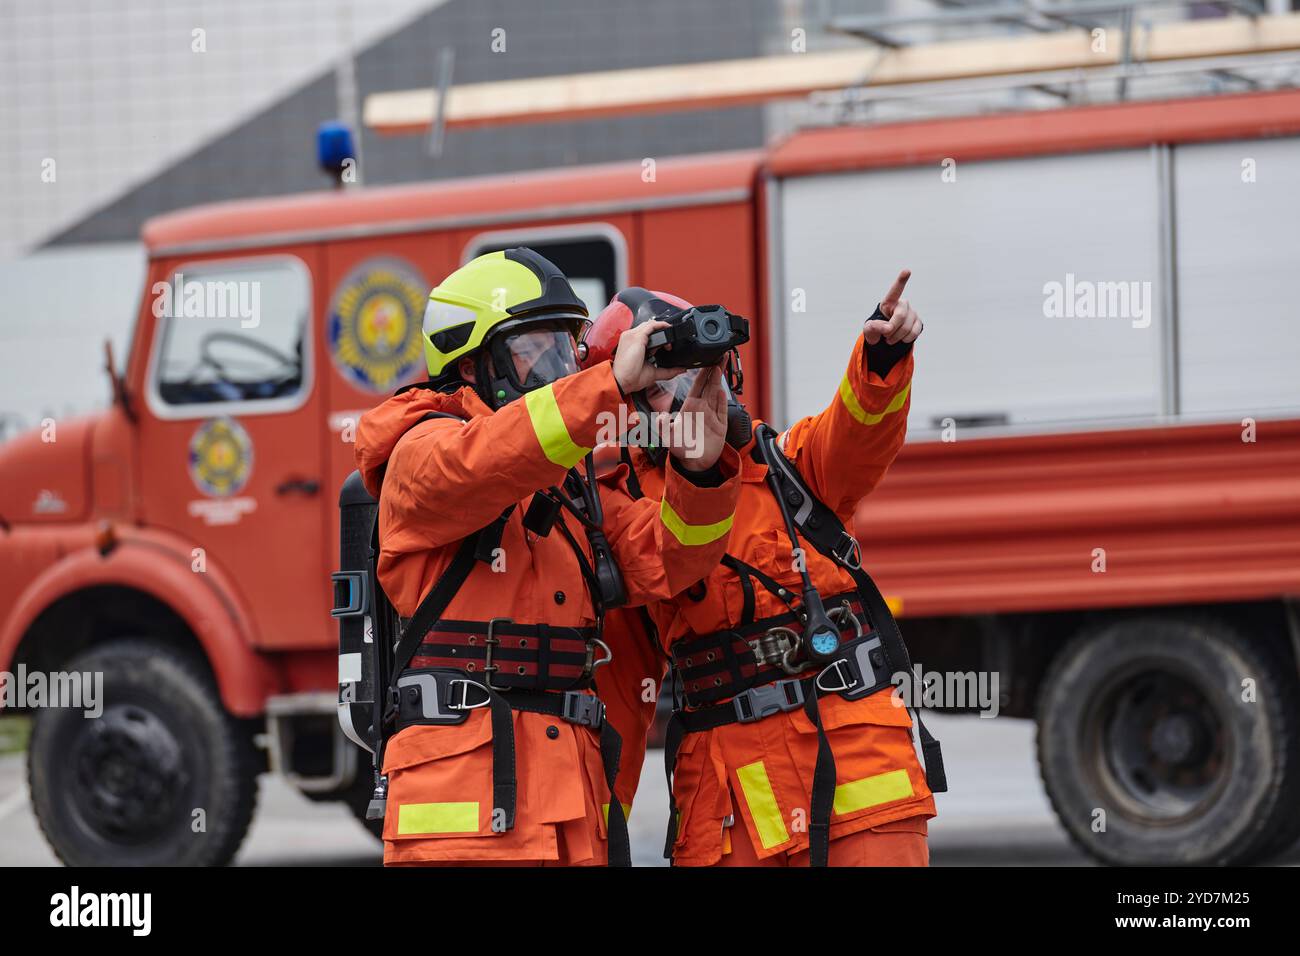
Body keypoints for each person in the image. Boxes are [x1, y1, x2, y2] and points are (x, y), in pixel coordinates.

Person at [354, 248, 740, 865]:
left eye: (567, 348)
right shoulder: (418, 453)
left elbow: (671, 560)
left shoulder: (564, 487)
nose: (559, 367)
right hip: (464, 811)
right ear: (473, 360)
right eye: (535, 350)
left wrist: (700, 467)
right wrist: (606, 388)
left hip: (569, 800)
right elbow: (485, 461)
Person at [584, 275, 944, 866]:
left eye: (697, 373)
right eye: (657, 386)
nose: (684, 396)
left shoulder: (792, 467)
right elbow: (623, 698)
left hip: (857, 779)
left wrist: (882, 355)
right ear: (621, 410)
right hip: (729, 806)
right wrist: (600, 839)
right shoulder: (622, 521)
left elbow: (858, 435)